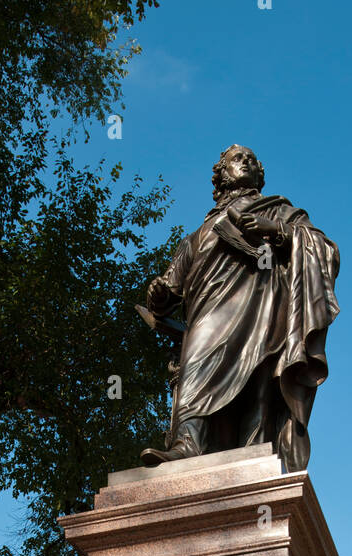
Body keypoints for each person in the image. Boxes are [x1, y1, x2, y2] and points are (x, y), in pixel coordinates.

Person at [140, 145, 339, 472]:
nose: (246, 162)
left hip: (263, 309)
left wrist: (275, 231)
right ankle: (187, 445)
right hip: (208, 314)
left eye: (251, 159)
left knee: (257, 388)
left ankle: (255, 460)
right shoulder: (195, 238)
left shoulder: (278, 211)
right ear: (221, 174)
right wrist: (158, 294)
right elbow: (169, 292)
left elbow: (324, 250)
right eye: (237, 159)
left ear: (259, 173)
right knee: (195, 366)